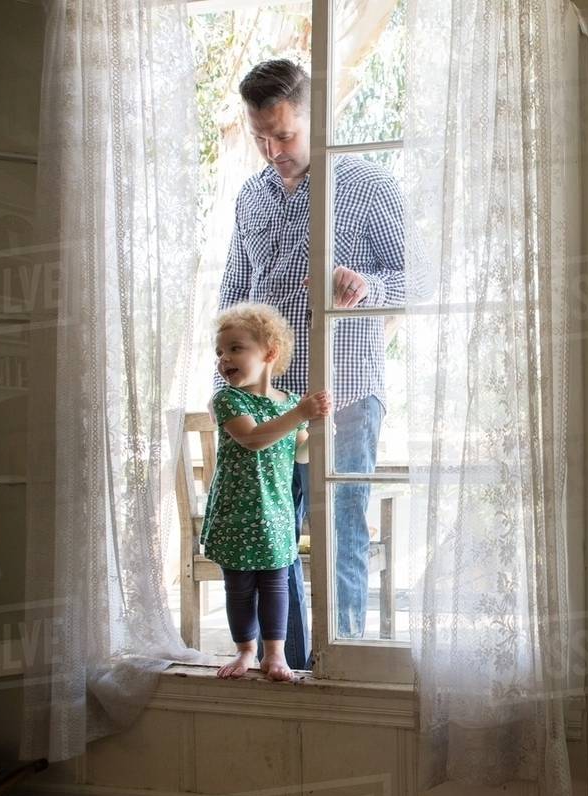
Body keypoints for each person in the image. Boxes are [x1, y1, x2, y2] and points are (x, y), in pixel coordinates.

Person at [216, 59, 406, 664]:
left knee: (341, 533)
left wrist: (368, 284)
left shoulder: (368, 184)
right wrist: (231, 385)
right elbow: (232, 296)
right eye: (260, 137)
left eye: (285, 134)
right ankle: (291, 665)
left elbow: (416, 280)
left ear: (317, 118)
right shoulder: (253, 195)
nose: (273, 150)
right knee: (274, 540)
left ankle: (342, 664)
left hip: (345, 394)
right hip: (269, 403)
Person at [201, 303, 332, 682]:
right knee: (240, 586)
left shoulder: (289, 402)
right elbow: (254, 439)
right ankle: (245, 651)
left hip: (274, 511)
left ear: (269, 353)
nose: (224, 358)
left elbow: (300, 450)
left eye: (235, 348)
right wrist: (301, 415)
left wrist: (319, 437)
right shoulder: (229, 400)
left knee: (276, 583)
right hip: (236, 512)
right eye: (220, 352)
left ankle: (274, 655)